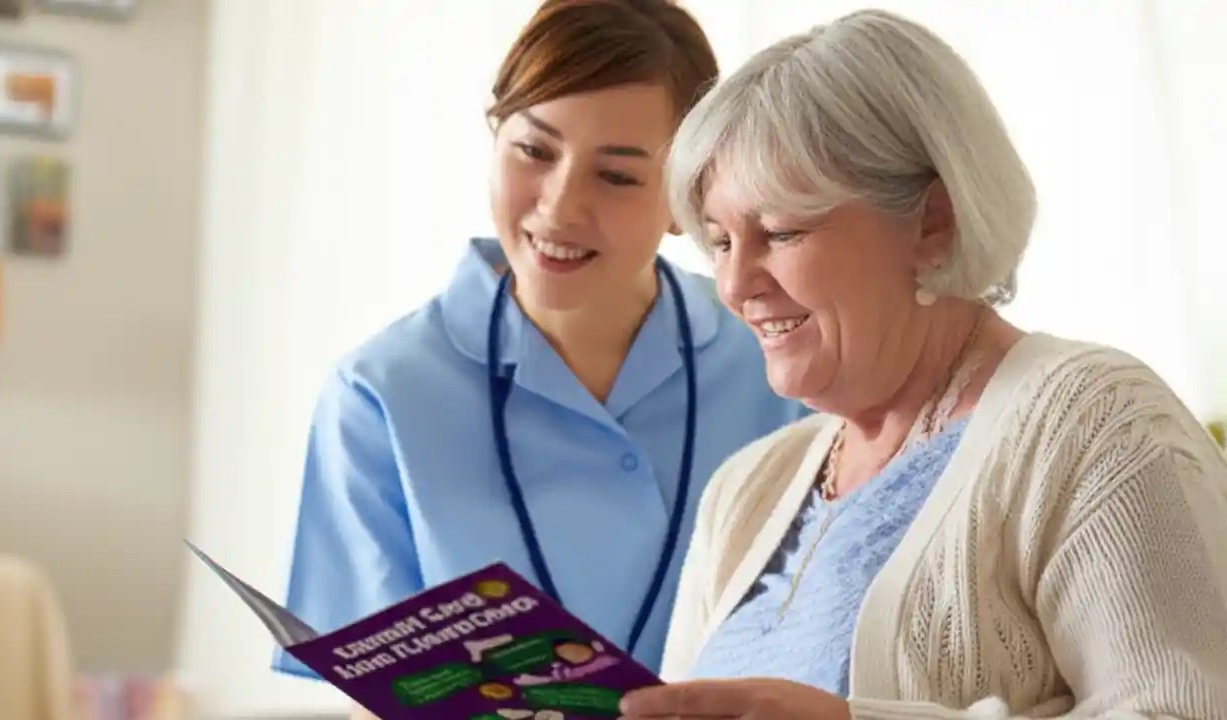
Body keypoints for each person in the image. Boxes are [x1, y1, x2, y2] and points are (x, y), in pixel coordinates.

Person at [618, 9, 1227, 720]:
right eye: (719, 242)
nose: (735, 284)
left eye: (780, 231)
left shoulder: (1096, 424)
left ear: (931, 222)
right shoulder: (745, 491)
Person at [273, 0, 810, 693]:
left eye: (616, 175)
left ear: (691, 196)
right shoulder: (380, 395)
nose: (559, 207)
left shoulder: (779, 365)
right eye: (534, 151)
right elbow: (378, 695)